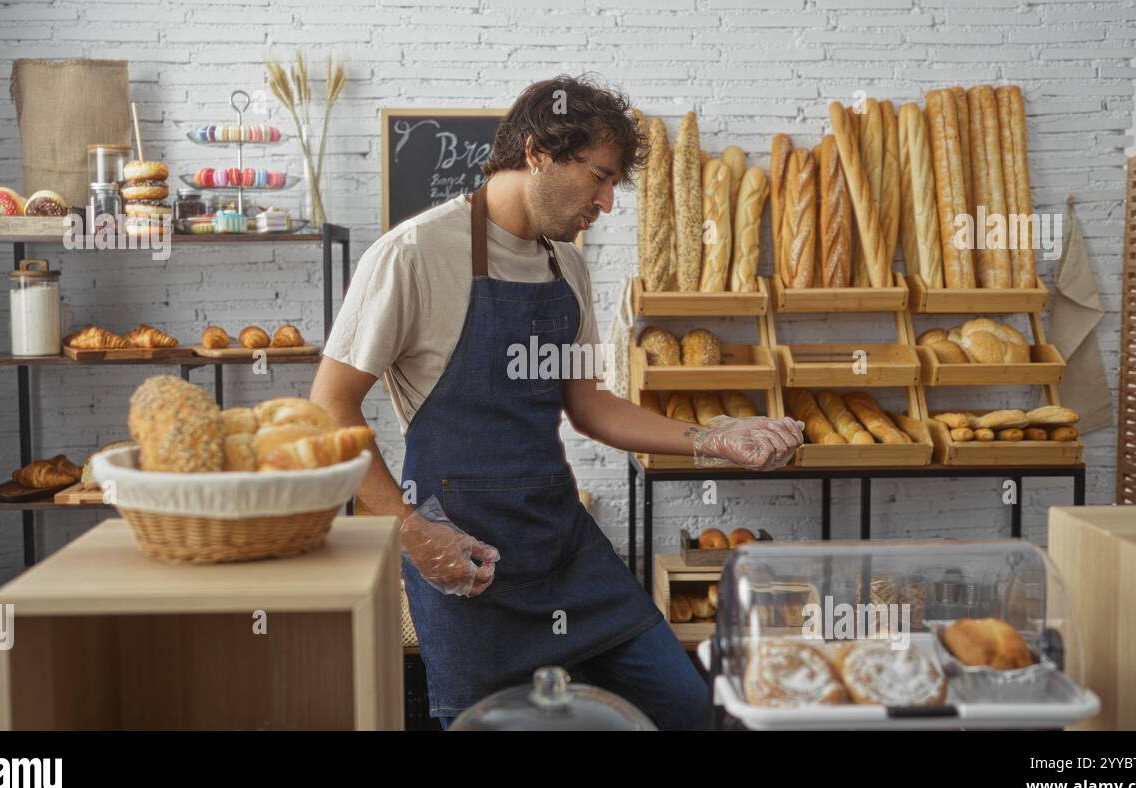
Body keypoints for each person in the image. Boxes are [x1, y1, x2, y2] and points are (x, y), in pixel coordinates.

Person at [311, 75, 804, 730]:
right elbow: (329, 408)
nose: (605, 202)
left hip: (563, 548)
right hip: (463, 560)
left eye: (613, 186)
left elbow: (592, 404)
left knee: (690, 710)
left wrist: (712, 437)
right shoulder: (414, 254)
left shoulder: (566, 268)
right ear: (540, 151)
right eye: (598, 178)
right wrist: (412, 531)